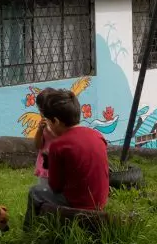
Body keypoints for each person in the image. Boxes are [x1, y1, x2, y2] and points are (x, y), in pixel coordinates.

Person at [23, 88, 109, 229]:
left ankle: (30, 231)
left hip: (78, 203)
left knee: (35, 192)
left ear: (55, 121)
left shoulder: (58, 145)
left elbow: (55, 186)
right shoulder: (97, 135)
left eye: (49, 122)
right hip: (100, 200)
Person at [33, 92, 56, 187]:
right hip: (45, 165)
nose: (41, 113)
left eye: (43, 109)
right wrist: (39, 130)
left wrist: (50, 129)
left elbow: (62, 139)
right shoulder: (43, 124)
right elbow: (38, 145)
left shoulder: (60, 123)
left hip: (57, 163)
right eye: (40, 109)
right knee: (44, 191)